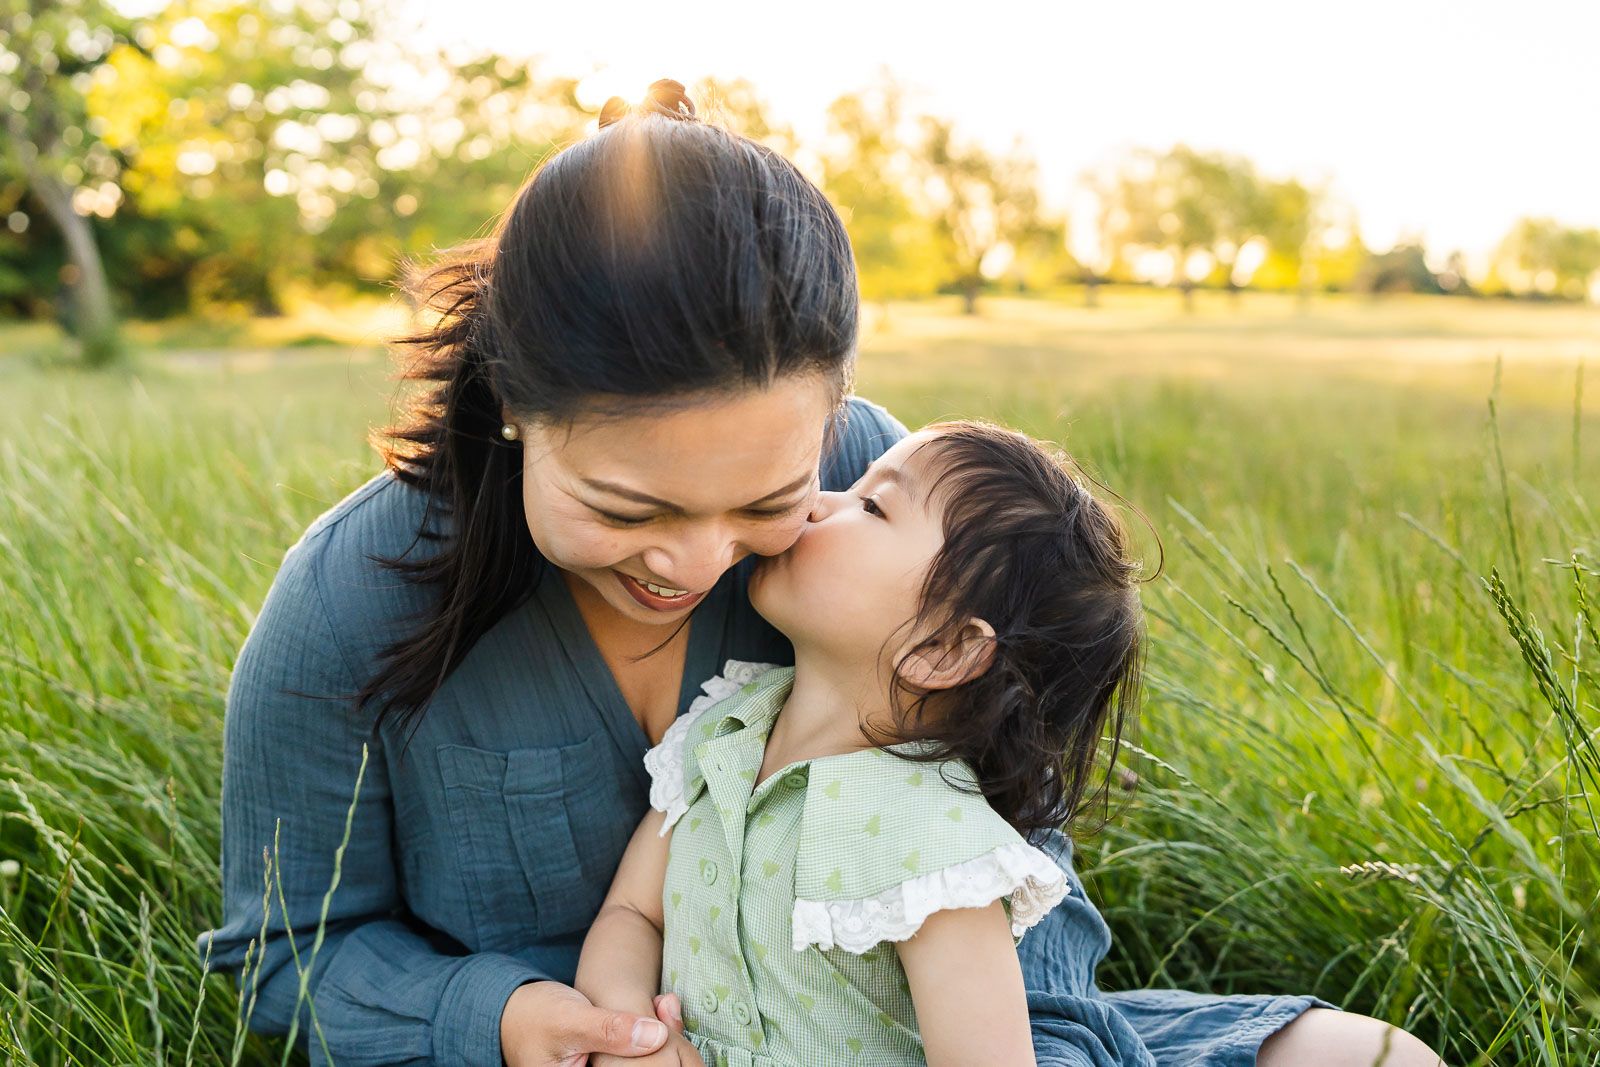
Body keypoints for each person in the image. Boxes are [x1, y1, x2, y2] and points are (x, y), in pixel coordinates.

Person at [199, 80, 1444, 1066]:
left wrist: (1054, 1041)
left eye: (765, 502)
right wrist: (509, 1015)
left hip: (906, 1029)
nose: (695, 562)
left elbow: (1010, 831)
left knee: (1365, 1054)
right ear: (514, 407)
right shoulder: (349, 601)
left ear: (835, 412)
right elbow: (288, 954)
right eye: (625, 506)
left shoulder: (873, 491)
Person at [575, 421, 1143, 1066]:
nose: (815, 503)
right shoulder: (723, 732)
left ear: (944, 648)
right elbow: (632, 913)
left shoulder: (933, 847)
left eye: (871, 505)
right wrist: (630, 1036)